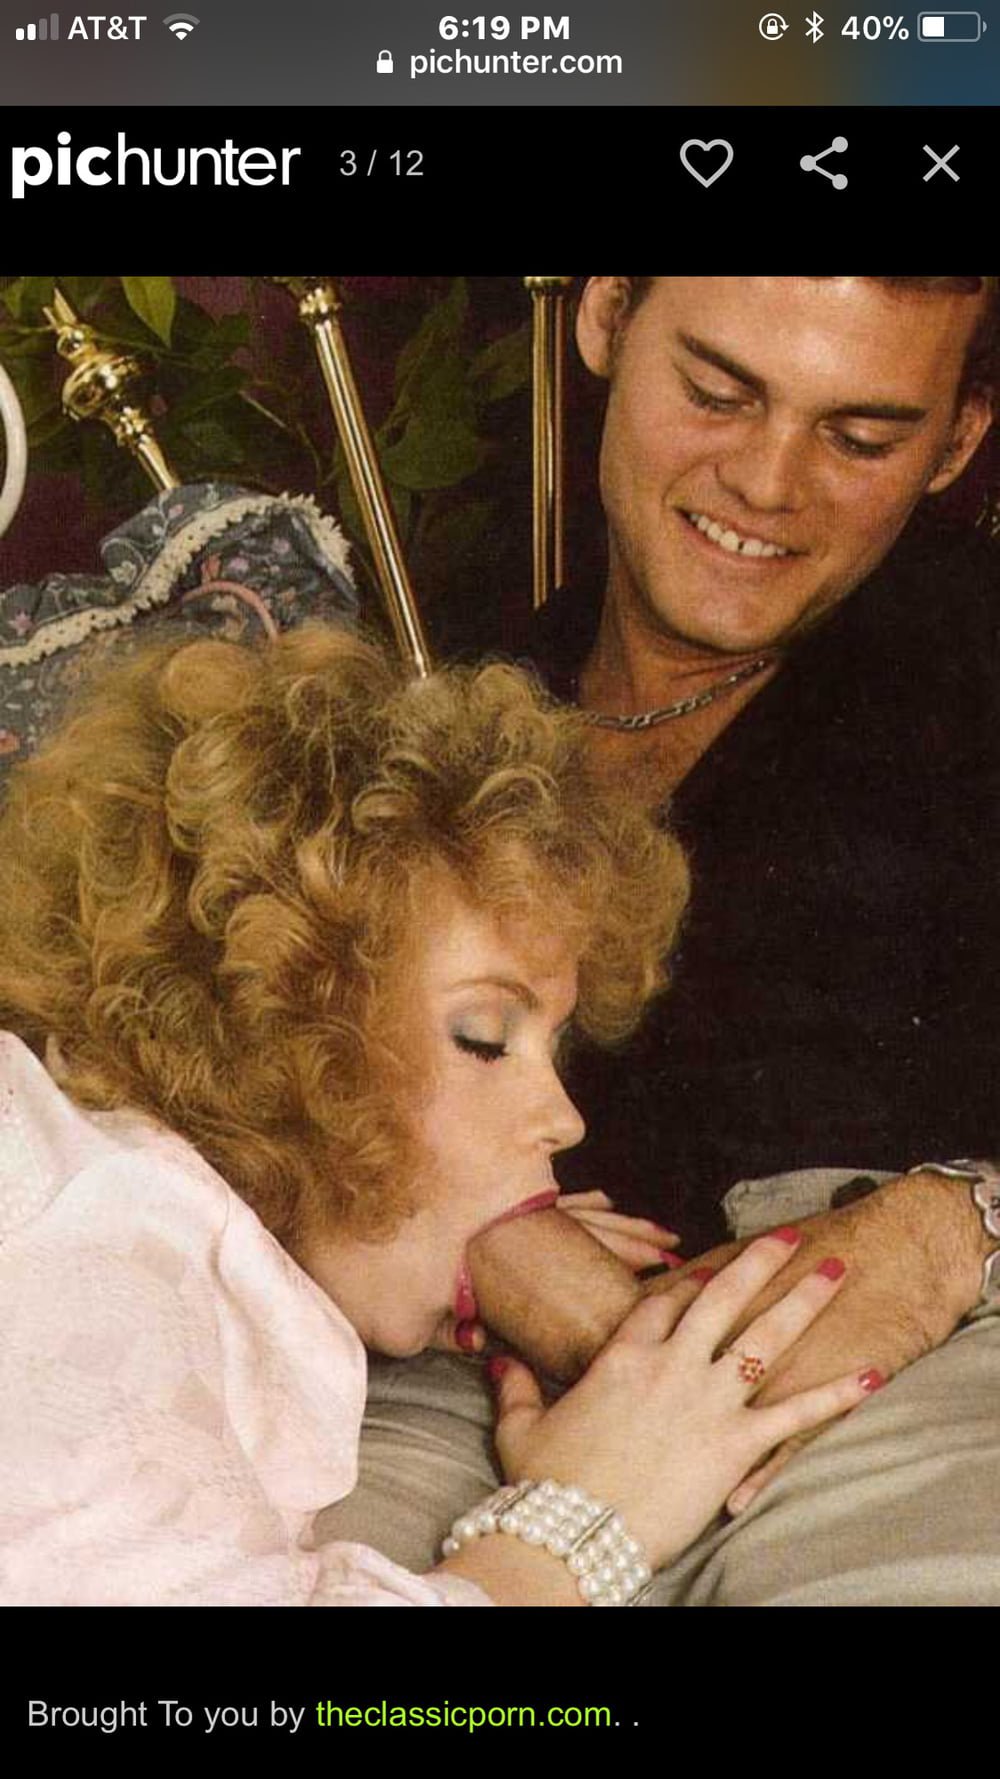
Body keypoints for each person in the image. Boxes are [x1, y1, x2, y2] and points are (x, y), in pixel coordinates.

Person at [319, 277, 1000, 1604]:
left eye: (859, 437)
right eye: (716, 393)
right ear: (604, 318)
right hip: (446, 1368)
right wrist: (458, 1217)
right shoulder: (438, 679)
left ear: (957, 440)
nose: (766, 482)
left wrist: (958, 1223)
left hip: (903, 1365)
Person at [0, 622, 874, 1606]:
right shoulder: (93, 1264)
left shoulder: (112, 1196)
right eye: (485, 1039)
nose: (563, 1120)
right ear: (271, 1028)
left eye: (550, 1048)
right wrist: (581, 1521)